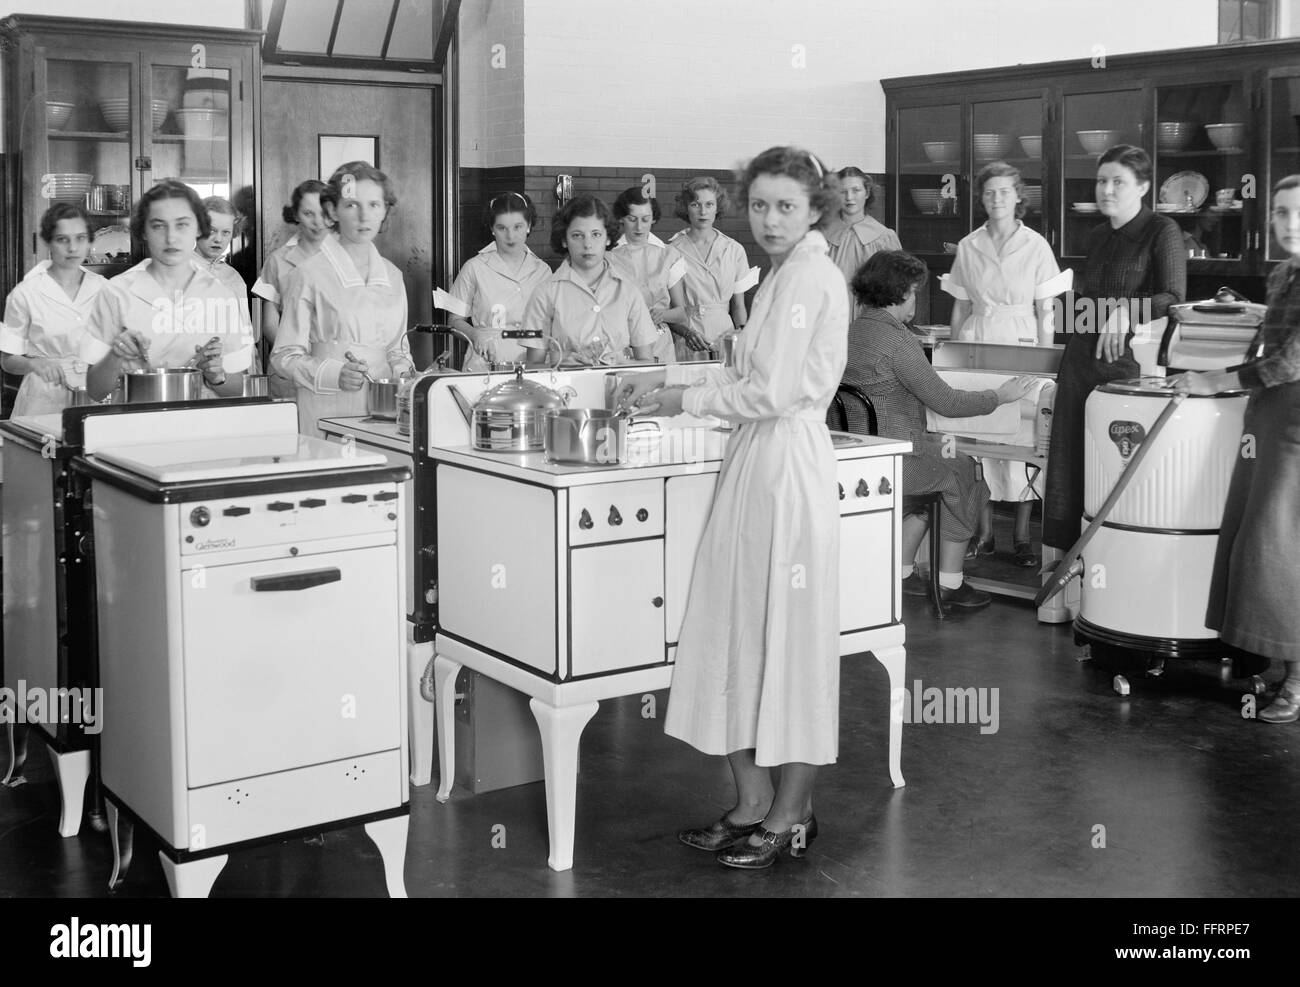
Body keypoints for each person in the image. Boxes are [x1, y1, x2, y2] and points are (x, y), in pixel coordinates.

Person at [617, 146, 845, 869]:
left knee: (791, 636)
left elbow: (772, 393)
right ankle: (751, 801)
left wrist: (683, 397)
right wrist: (706, 355)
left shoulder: (810, 276)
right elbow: (753, 369)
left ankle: (791, 811)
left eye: (786, 206)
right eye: (761, 205)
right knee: (735, 625)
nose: (770, 219)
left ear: (815, 210)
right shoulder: (782, 275)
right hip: (756, 459)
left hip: (787, 461)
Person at [1175, 175, 1300, 722]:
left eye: (1299, 212)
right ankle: (1274, 660)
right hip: (1270, 416)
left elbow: (1292, 362)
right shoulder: (1282, 275)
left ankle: (1296, 682)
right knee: (1258, 539)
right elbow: (1268, 345)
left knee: (1283, 546)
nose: (1290, 223)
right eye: (1280, 213)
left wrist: (1213, 381)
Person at [844, 250, 1035, 610]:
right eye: (914, 291)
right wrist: (1001, 395)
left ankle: (899, 575)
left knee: (944, 470)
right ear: (900, 293)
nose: (915, 299)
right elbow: (946, 402)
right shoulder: (898, 341)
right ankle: (950, 582)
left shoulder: (851, 332)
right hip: (895, 463)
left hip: (854, 459)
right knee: (967, 471)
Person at [1042, 145, 1186, 551]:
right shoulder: (1099, 234)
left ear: (1142, 186)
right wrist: (1062, 313)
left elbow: (1174, 297)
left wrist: (1126, 312)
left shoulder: (1163, 230)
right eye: (1102, 181)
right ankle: (1066, 563)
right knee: (1069, 461)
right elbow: (1091, 304)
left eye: (1117, 181)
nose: (1106, 190)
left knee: (1117, 462)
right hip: (1080, 359)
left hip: (1128, 368)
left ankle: (1115, 555)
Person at [945, 161, 1063, 567]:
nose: (996, 199)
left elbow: (1046, 308)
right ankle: (986, 534)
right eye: (989, 192)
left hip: (1021, 340)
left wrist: (1045, 362)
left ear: (1018, 198)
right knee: (978, 439)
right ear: (981, 197)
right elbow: (959, 307)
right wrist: (954, 358)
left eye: (1004, 192)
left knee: (1025, 436)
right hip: (978, 341)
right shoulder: (968, 246)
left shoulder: (1035, 246)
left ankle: (1022, 538)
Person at [271, 161, 414, 436]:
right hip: (327, 408)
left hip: (384, 412)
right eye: (351, 205)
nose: (364, 216)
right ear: (332, 210)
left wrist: (404, 375)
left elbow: (398, 349)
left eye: (374, 205)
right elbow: (284, 356)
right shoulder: (308, 274)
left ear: (385, 210)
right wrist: (334, 374)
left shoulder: (393, 276)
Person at [83, 180, 252, 401]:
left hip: (201, 426)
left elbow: (235, 389)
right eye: (158, 225)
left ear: (198, 228)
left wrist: (216, 375)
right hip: (135, 427)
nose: (171, 237)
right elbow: (96, 390)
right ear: (143, 230)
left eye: (182, 225)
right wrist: (115, 355)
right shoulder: (116, 292)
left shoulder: (221, 295)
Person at [519, 194, 657, 365]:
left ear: (608, 238)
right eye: (577, 235)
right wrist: (557, 363)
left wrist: (624, 362)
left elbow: (647, 362)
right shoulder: (545, 292)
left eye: (596, 234)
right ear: (564, 240)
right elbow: (532, 367)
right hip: (563, 389)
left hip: (619, 387)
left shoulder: (628, 291)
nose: (587, 244)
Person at [1, 203, 106, 415]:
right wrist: (35, 364)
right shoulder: (25, 294)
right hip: (42, 399)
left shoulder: (106, 288)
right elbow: (7, 360)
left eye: (80, 238)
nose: (73, 248)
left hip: (94, 394)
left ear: (89, 242)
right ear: (48, 242)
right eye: (62, 239)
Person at [446, 191, 550, 371]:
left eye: (517, 227)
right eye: (502, 228)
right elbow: (454, 320)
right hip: (485, 365)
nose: (511, 236)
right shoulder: (474, 267)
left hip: (533, 365)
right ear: (492, 229)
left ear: (529, 225)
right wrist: (474, 333)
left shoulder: (543, 271)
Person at [253, 179, 333, 398]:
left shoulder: (346, 258)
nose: (318, 222)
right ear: (296, 214)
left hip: (334, 368)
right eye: (308, 213)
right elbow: (270, 324)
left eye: (324, 213)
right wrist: (294, 359)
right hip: (288, 372)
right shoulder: (277, 260)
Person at [666, 176, 749, 359]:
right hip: (689, 336)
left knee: (726, 384)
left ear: (717, 207)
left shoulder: (734, 249)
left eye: (709, 204)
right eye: (696, 204)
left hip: (726, 336)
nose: (703, 211)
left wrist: (743, 339)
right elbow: (674, 310)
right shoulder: (672, 251)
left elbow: (739, 307)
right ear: (686, 208)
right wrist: (687, 333)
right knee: (689, 386)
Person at [609, 185, 687, 364]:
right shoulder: (609, 256)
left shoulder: (669, 255)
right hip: (623, 342)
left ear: (654, 219)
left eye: (645, 219)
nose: (639, 226)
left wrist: (663, 315)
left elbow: (681, 313)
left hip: (660, 341)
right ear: (622, 218)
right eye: (632, 219)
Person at [823, 166, 900, 317]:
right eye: (842, 191)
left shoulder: (884, 238)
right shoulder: (821, 238)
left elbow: (898, 289)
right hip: (829, 322)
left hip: (871, 325)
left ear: (867, 193)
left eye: (856, 190)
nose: (849, 197)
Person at [196, 196, 255, 370]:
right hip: (192, 367)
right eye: (211, 230)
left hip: (230, 371)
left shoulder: (233, 278)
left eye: (225, 232)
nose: (218, 239)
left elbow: (246, 331)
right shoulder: (179, 272)